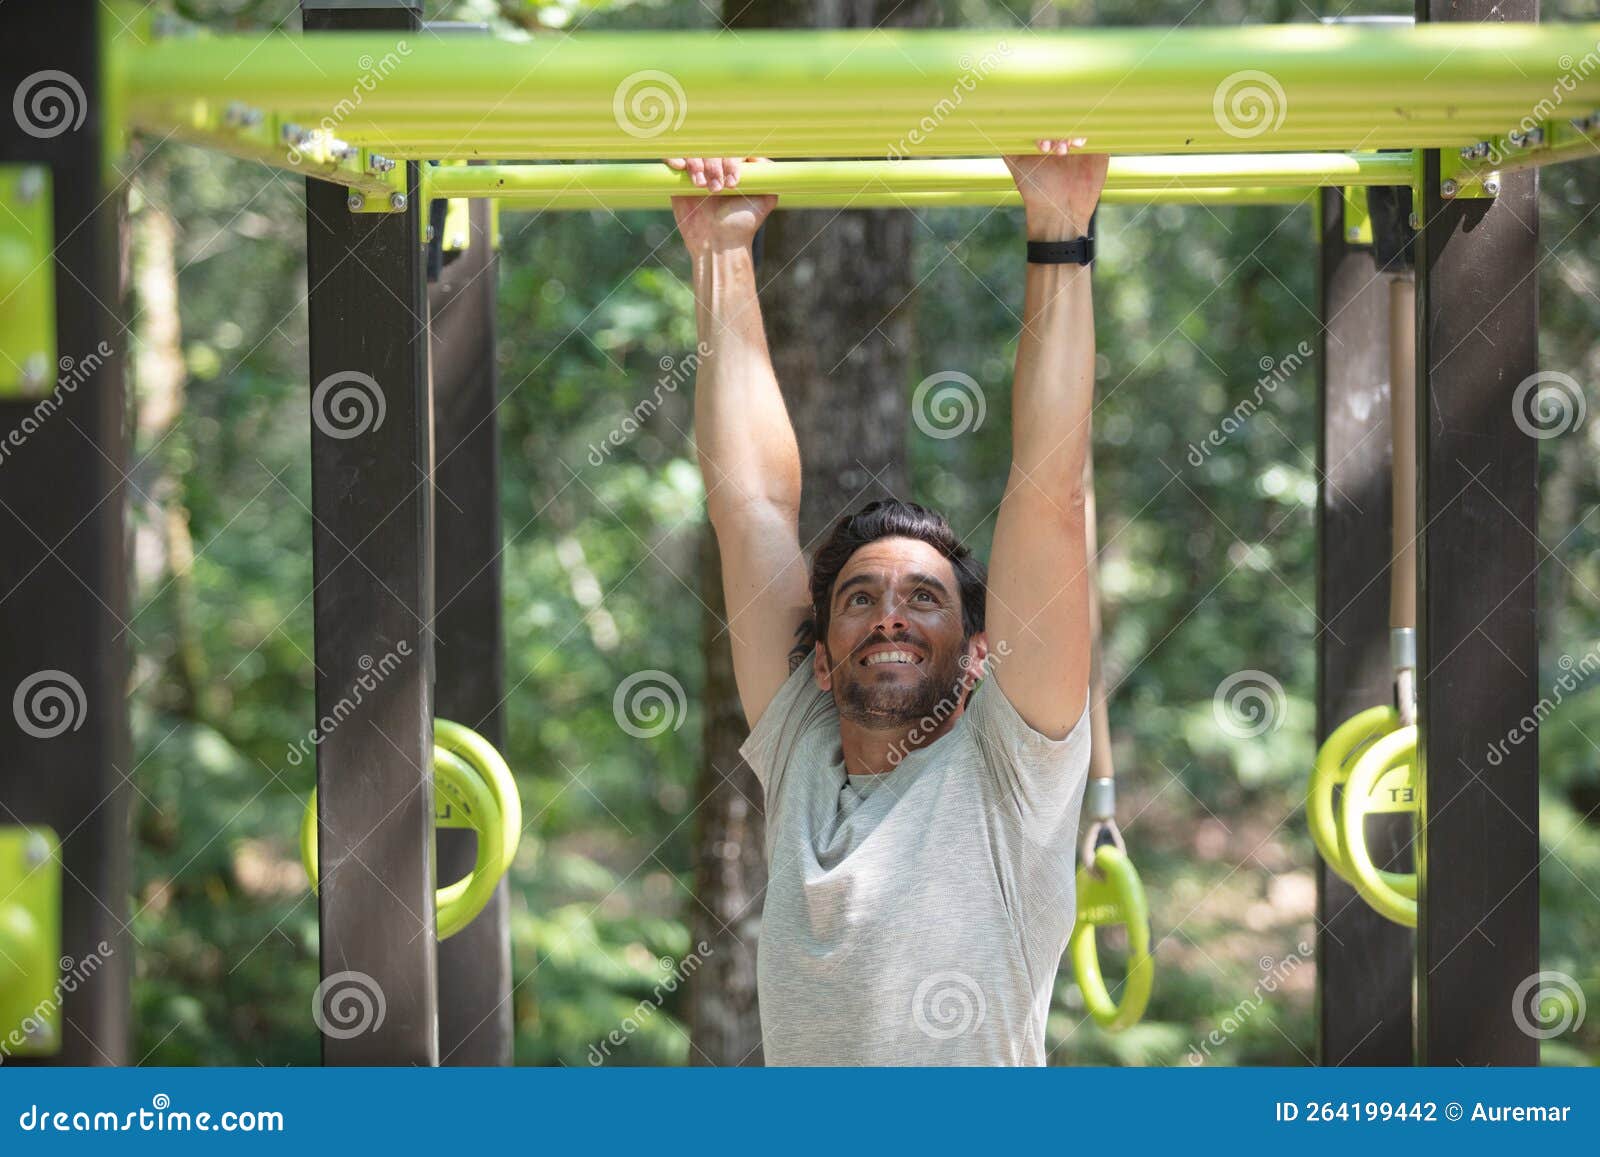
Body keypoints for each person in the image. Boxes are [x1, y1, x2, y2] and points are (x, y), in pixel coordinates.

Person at [668, 142, 1108, 1065]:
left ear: (980, 651)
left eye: (925, 597)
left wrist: (1059, 230)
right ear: (821, 660)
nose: (890, 613)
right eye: (860, 597)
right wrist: (721, 251)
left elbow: (1049, 493)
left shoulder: (1011, 764)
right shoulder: (803, 749)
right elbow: (746, 508)